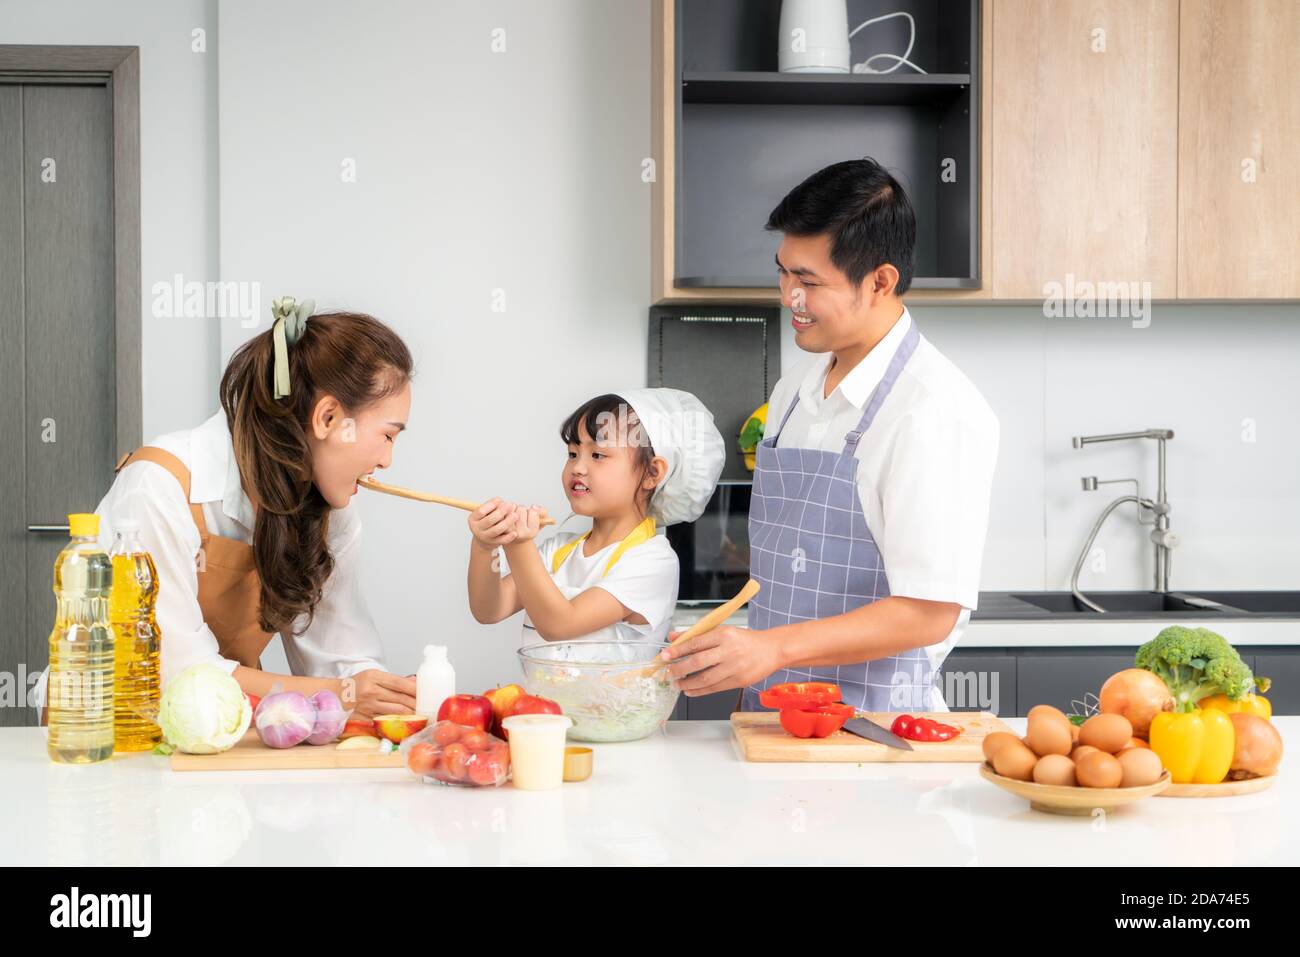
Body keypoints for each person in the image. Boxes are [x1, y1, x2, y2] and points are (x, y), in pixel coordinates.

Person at [662, 158, 1000, 712]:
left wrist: (772, 648)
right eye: (783, 272)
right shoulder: (796, 386)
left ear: (880, 281)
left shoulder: (934, 411)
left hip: (875, 729)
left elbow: (930, 609)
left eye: (809, 282)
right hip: (771, 716)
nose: (788, 297)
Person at [38, 299, 419, 719]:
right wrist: (343, 693)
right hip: (101, 729)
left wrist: (390, 696)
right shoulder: (159, 485)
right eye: (387, 436)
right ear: (327, 418)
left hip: (215, 731)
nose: (387, 461)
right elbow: (178, 673)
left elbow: (339, 656)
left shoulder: (331, 505)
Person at [466, 389, 724, 643]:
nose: (578, 467)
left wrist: (519, 545)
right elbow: (490, 609)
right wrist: (485, 546)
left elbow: (559, 625)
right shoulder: (559, 551)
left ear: (651, 473)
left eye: (598, 455)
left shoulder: (653, 560)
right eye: (573, 454)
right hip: (541, 688)